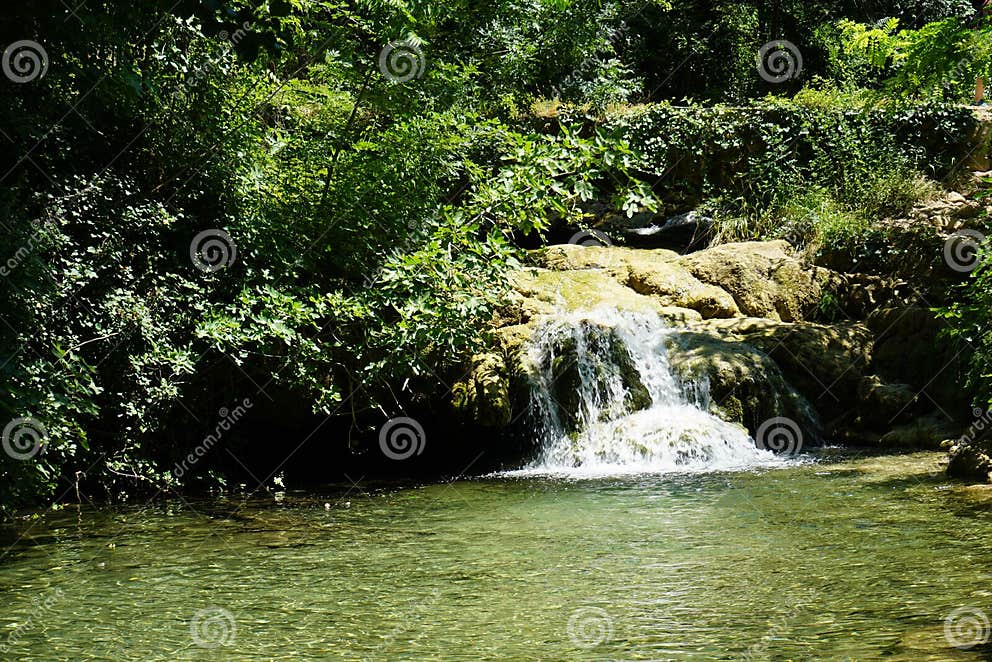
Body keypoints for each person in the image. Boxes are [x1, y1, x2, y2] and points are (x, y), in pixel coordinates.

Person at [977, 0, 991, 105]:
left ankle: (979, 98)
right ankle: (978, 99)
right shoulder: (988, 4)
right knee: (983, 70)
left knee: (983, 70)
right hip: (986, 39)